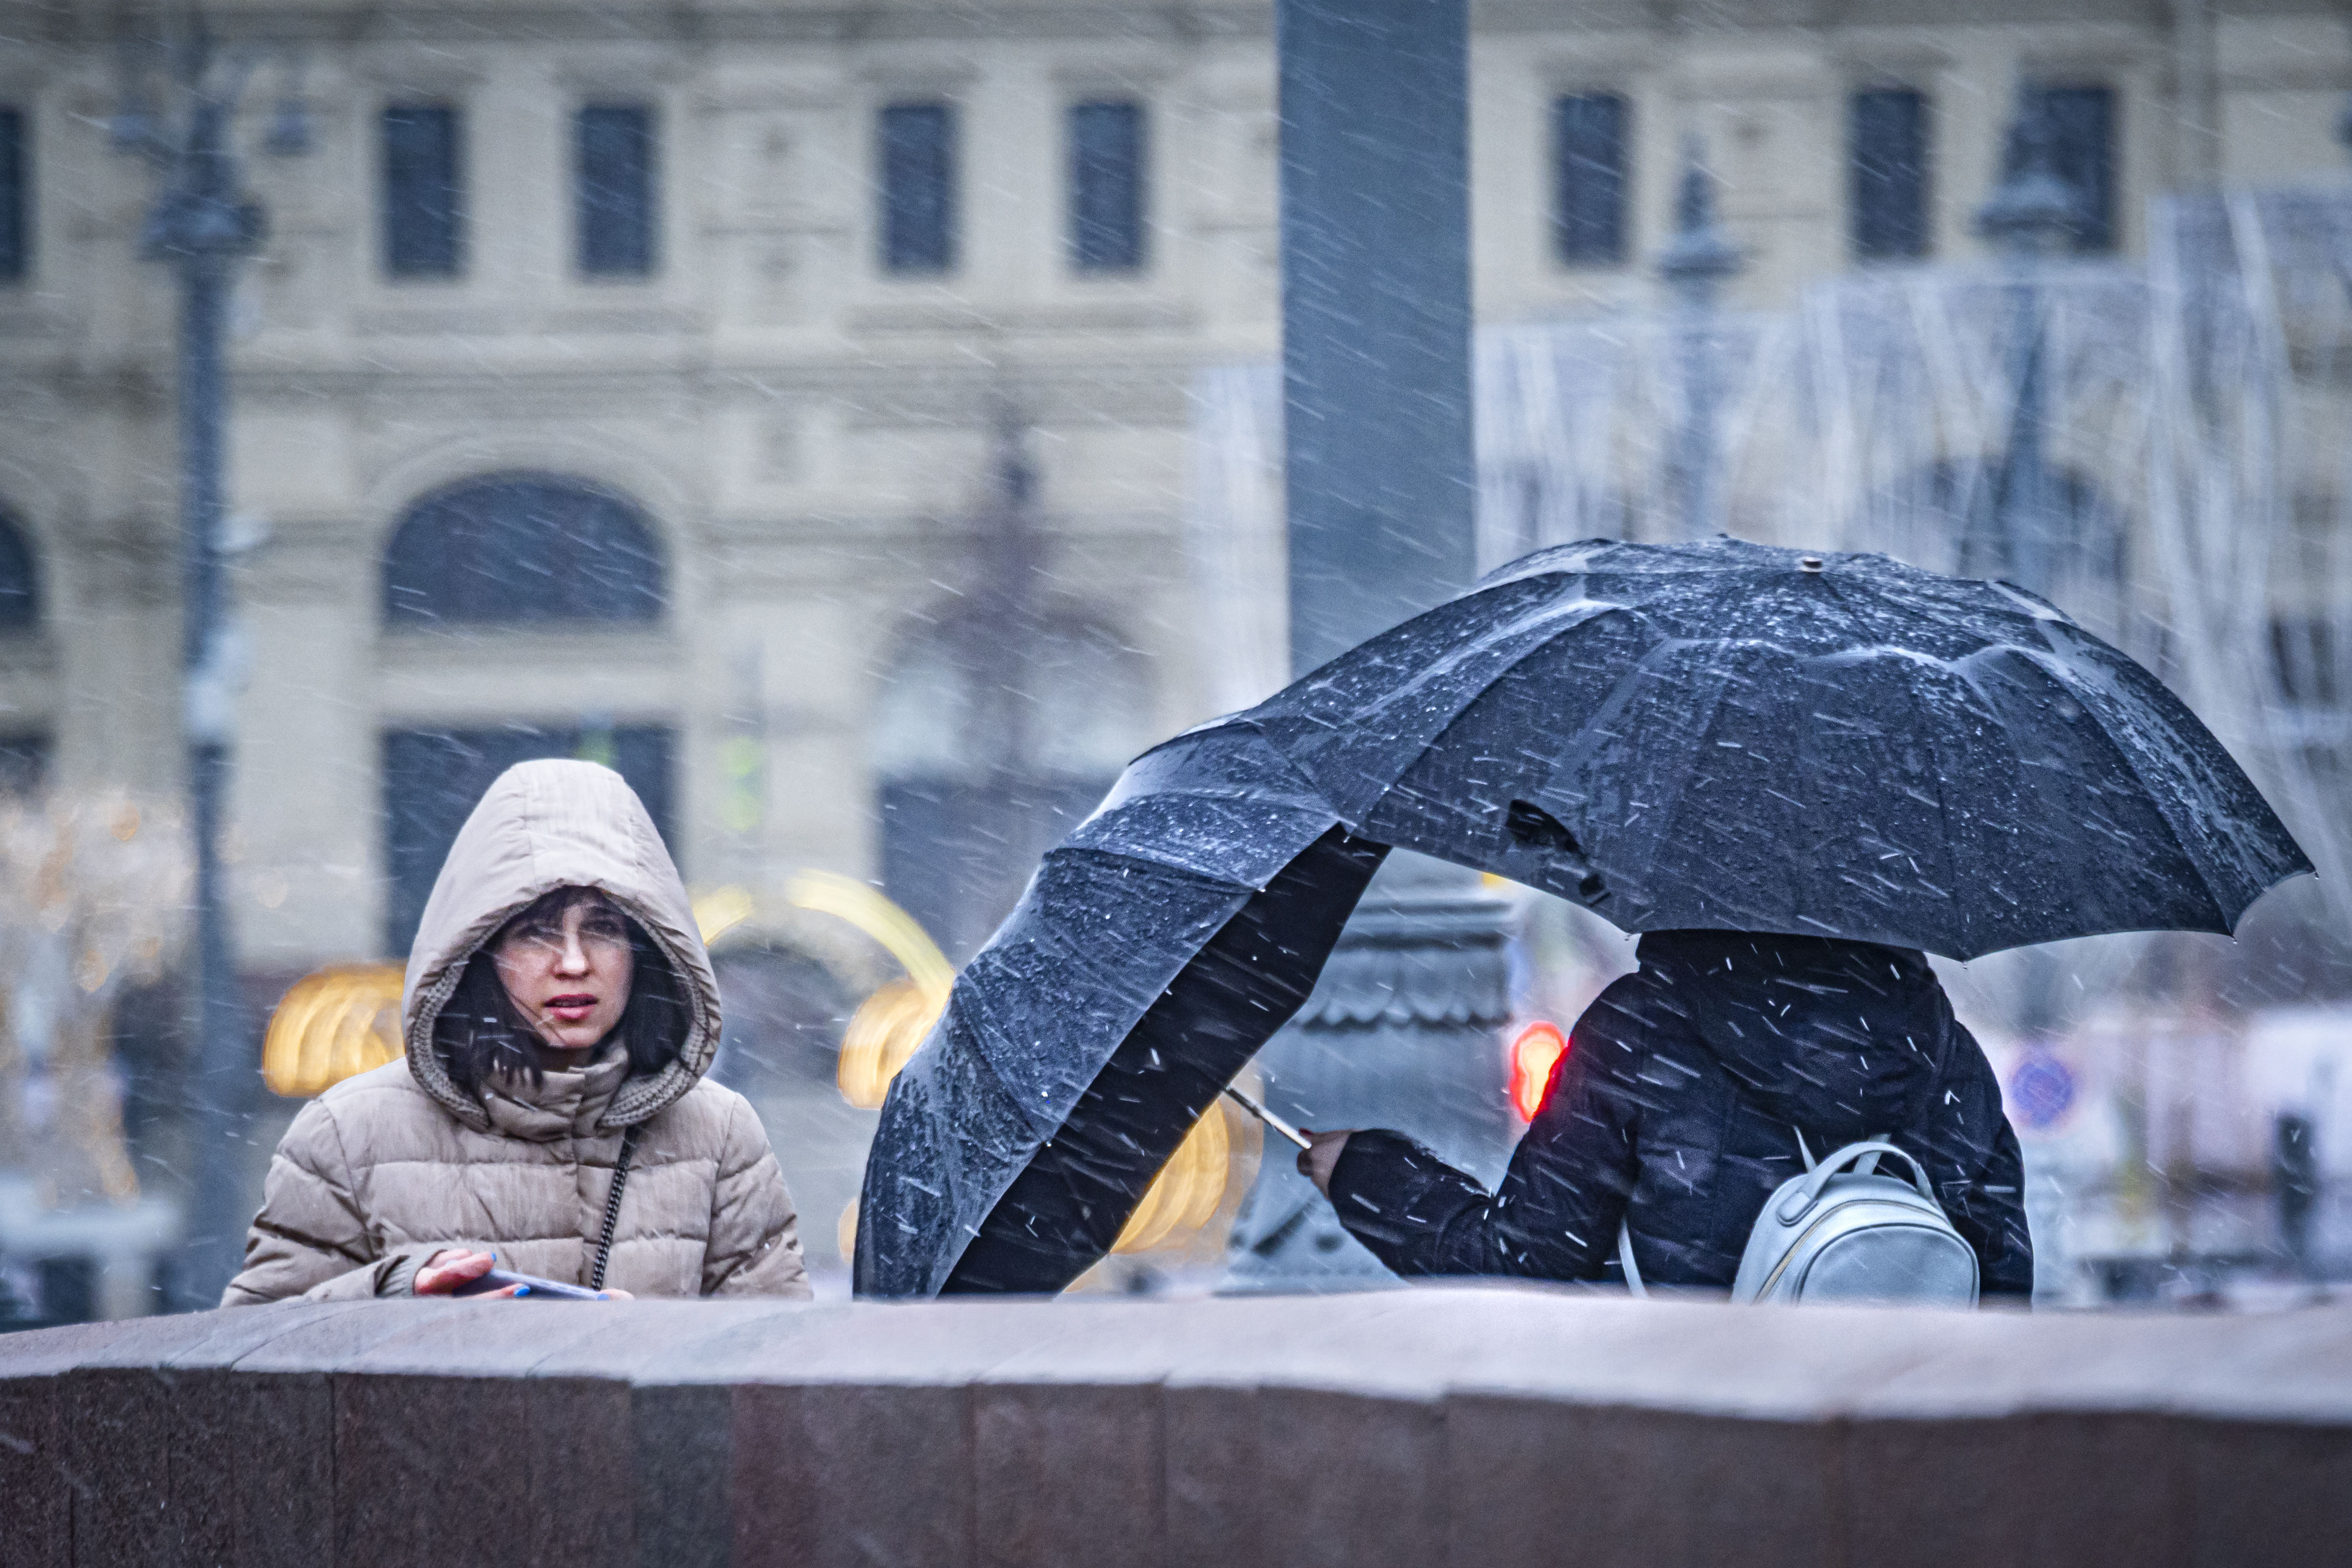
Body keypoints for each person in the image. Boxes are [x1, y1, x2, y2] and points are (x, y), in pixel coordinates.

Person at [224, 759, 811, 1304]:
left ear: (645, 949)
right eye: (538, 932)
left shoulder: (719, 1135)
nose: (574, 963)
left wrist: (658, 1356)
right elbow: (248, 1362)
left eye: (602, 928)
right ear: (483, 951)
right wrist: (397, 1297)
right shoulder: (348, 1136)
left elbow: (778, 1369)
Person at [1297, 928, 2034, 1298]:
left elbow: (1526, 1262)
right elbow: (2000, 1279)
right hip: (1892, 1465)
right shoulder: (1943, 1050)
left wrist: (1366, 1173)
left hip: (1693, 1456)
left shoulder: (1640, 1028)